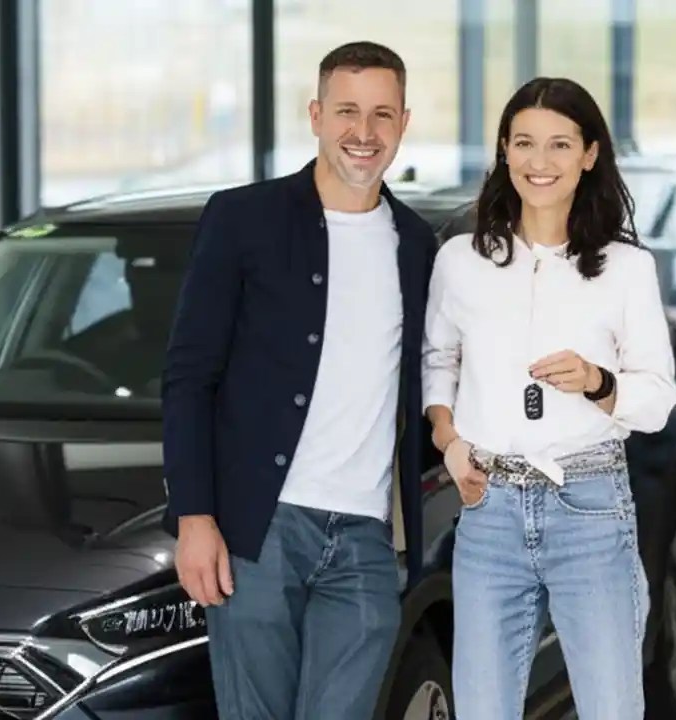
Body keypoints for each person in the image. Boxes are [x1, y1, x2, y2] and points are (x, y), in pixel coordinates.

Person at [162, 41, 439, 719]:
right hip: (261, 531)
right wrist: (194, 518)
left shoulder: (417, 244)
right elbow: (189, 375)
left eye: (381, 114)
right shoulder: (242, 220)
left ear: (403, 122)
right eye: (347, 110)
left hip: (368, 539)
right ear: (315, 115)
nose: (363, 132)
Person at [422, 77, 676, 719]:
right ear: (505, 151)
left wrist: (598, 382)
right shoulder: (460, 259)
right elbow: (438, 361)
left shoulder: (625, 268)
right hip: (489, 511)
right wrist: (448, 440)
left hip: (590, 508)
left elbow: (657, 399)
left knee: (612, 710)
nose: (541, 162)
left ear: (589, 154)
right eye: (526, 143)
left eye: (560, 144)